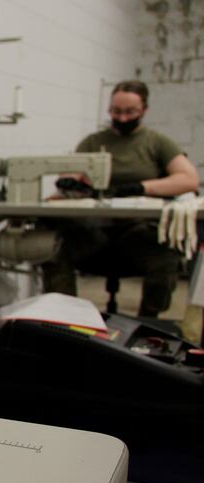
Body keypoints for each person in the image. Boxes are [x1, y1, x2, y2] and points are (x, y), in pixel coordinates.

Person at [42, 79, 199, 317]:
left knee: (167, 258)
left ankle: (148, 326)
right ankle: (64, 321)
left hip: (138, 232)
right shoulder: (93, 142)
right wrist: (70, 181)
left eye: (130, 112)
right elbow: (71, 172)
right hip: (94, 232)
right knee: (53, 249)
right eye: (116, 111)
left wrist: (140, 188)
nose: (123, 118)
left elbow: (188, 179)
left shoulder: (157, 143)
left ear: (144, 110)